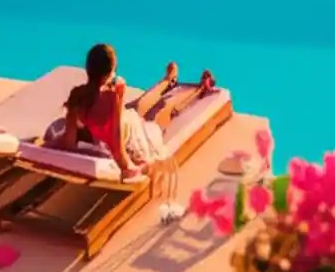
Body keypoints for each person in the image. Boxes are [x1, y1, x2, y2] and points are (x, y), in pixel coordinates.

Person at [51, 43, 217, 186]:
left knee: (139, 105)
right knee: (161, 112)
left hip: (128, 121)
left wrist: (45, 147)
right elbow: (117, 143)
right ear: (112, 71)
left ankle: (168, 80)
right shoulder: (112, 96)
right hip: (133, 137)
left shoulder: (77, 96)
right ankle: (199, 88)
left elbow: (69, 142)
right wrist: (130, 168)